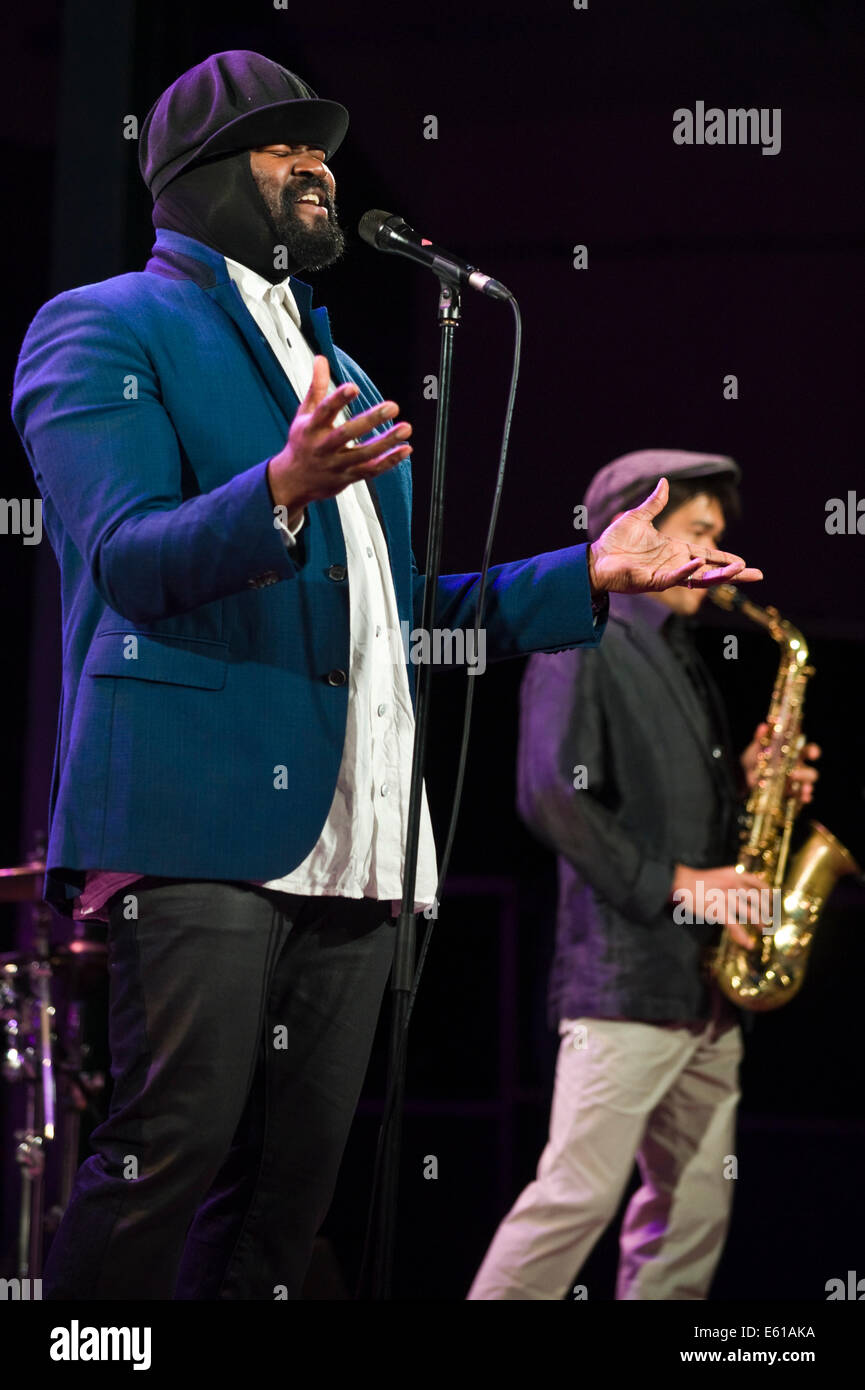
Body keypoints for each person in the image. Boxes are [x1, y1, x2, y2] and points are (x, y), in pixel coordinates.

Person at [11, 53, 761, 1302]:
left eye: (322, 147)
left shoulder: (344, 371)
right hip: (201, 822)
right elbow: (128, 557)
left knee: (291, 1192)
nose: (318, 165)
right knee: (165, 1160)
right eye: (280, 146)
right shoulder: (105, 323)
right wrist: (278, 490)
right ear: (196, 178)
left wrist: (586, 573)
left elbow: (399, 619)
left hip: (360, 840)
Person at [468, 450, 816, 1301]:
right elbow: (549, 793)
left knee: (689, 1217)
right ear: (637, 526)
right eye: (698, 533)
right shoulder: (582, 638)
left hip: (702, 988)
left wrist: (748, 782)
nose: (714, 556)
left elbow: (660, 808)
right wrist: (680, 883)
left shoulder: (679, 654)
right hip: (620, 984)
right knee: (573, 1201)